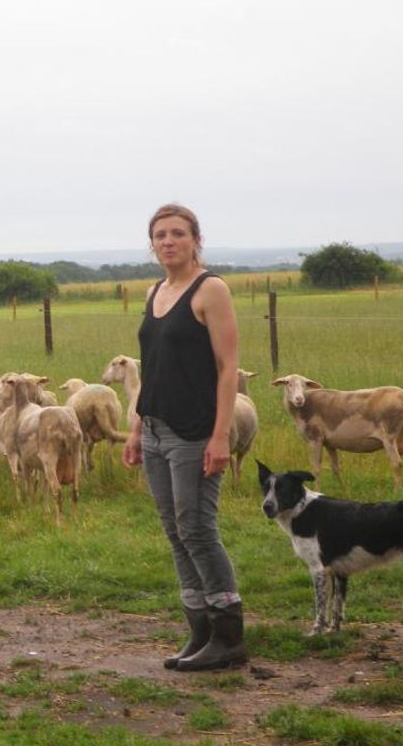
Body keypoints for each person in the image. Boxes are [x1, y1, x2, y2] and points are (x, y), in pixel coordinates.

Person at [122, 203, 246, 671]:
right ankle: (200, 632)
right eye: (160, 235)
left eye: (178, 233)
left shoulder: (210, 289)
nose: (168, 241)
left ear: (197, 239)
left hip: (195, 431)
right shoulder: (157, 290)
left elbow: (227, 366)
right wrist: (136, 427)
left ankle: (229, 636)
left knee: (197, 529)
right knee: (175, 531)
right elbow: (152, 368)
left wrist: (220, 435)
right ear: (151, 244)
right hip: (154, 430)